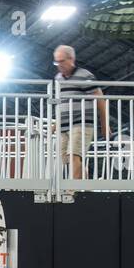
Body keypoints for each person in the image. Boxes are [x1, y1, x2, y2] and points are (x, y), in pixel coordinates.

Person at [52, 44, 107, 180]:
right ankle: (85, 186)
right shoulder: (58, 78)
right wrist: (55, 123)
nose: (59, 65)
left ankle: (72, 192)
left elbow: (100, 99)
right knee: (66, 158)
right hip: (63, 125)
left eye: (62, 61)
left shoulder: (85, 76)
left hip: (81, 123)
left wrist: (104, 125)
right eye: (56, 62)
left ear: (71, 59)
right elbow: (60, 102)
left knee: (74, 155)